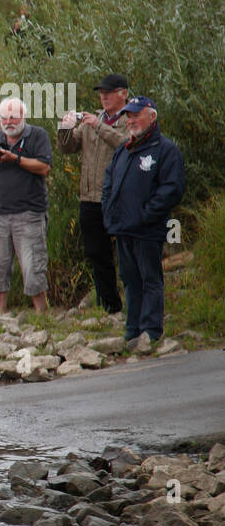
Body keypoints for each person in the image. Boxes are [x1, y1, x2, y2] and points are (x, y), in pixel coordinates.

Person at [101, 96, 185, 350]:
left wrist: (146, 214)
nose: (131, 120)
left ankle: (151, 330)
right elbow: (108, 185)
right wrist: (109, 213)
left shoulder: (165, 149)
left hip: (148, 229)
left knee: (150, 278)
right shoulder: (123, 150)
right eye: (128, 115)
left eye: (137, 115)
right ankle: (133, 329)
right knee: (129, 278)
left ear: (152, 117)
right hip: (123, 228)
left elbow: (172, 189)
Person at [58, 73, 132, 314]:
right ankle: (110, 306)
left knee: (126, 251)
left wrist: (98, 126)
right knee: (95, 252)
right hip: (89, 198)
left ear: (124, 93)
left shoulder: (131, 119)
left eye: (109, 92)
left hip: (117, 197)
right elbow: (67, 148)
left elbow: (127, 145)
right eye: (101, 92)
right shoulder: (92, 120)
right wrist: (64, 127)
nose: (104, 96)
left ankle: (135, 303)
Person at [0, 97, 52, 314]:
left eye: (13, 117)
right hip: (1, 213)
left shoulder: (37, 135)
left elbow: (44, 167)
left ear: (24, 117)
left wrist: (15, 159)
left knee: (33, 267)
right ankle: (1, 315)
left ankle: (42, 314)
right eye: (5, 117)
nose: (9, 121)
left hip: (30, 212)